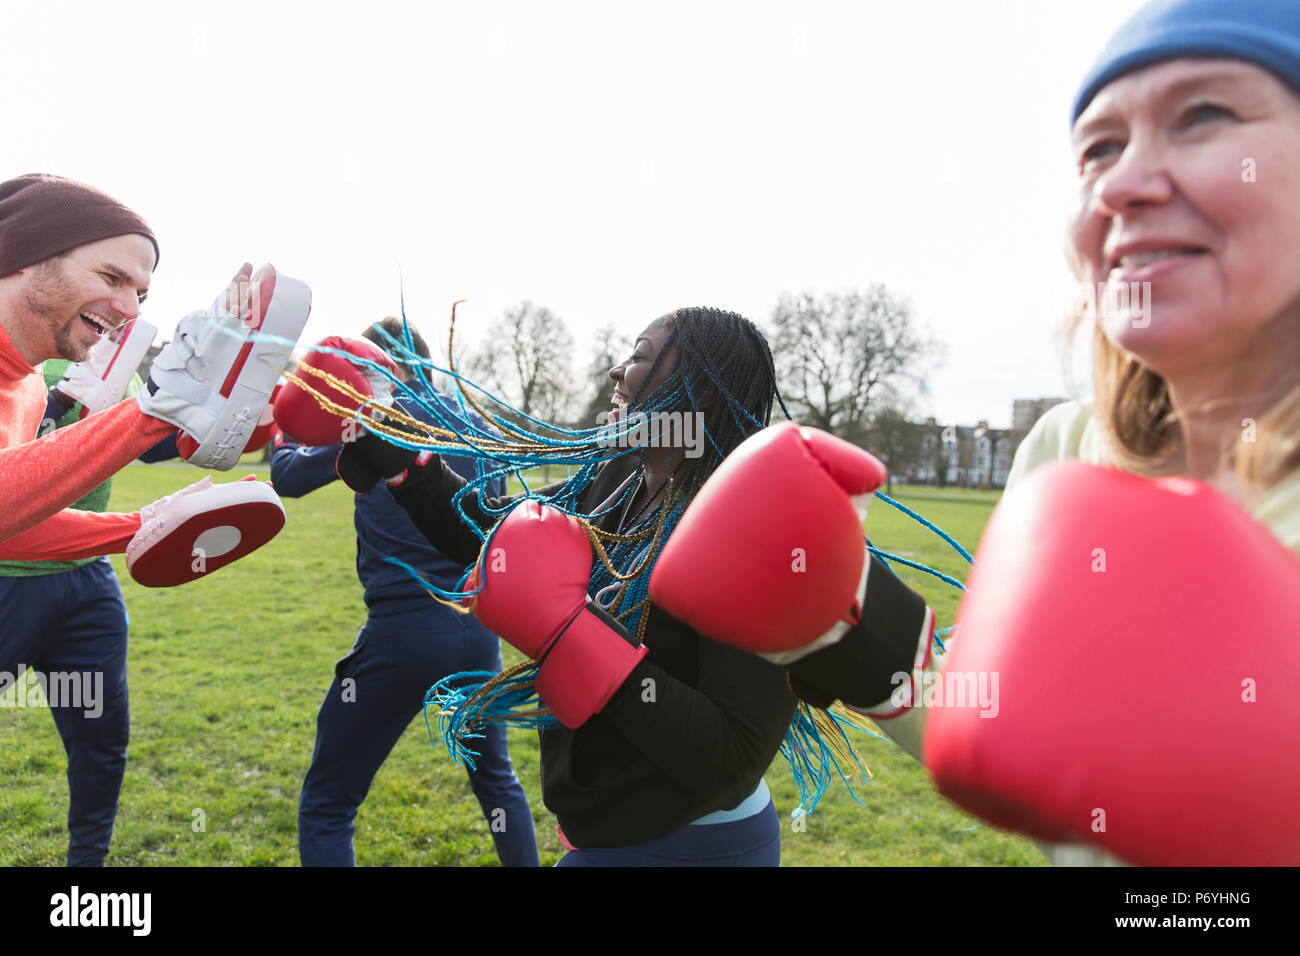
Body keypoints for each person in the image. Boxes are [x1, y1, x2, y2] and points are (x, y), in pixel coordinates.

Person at [650, 0, 1300, 867]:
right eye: (1099, 148)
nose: (1120, 185)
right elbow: (1031, 767)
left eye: (1205, 115)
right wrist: (848, 630)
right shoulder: (1064, 452)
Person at [290, 307, 798, 866]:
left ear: (697, 391)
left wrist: (573, 634)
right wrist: (404, 460)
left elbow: (734, 754)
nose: (617, 371)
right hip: (611, 830)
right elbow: (494, 535)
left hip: (702, 845)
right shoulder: (617, 479)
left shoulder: (748, 533)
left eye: (641, 355)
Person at [273, 318, 538, 867]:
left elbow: (289, 478)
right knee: (497, 785)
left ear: (374, 366)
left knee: (328, 801)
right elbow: (492, 519)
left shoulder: (376, 417)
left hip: (402, 633)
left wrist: (281, 423)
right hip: (478, 629)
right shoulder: (469, 418)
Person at [0, 173, 310, 544]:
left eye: (140, 295)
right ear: (21, 255)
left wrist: (149, 524)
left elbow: (13, 521)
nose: (130, 310)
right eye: (112, 277)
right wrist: (157, 408)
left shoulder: (30, 385)